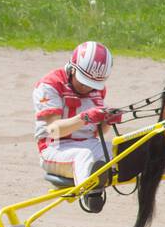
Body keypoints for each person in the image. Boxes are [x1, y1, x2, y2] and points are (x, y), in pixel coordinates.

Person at [34, 42, 122, 212]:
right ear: (72, 68)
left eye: (92, 84)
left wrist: (107, 121)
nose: (87, 87)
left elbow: (98, 132)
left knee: (126, 148)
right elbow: (53, 130)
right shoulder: (49, 85)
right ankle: (90, 195)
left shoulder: (98, 89)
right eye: (83, 82)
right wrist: (85, 117)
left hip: (89, 144)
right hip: (54, 149)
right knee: (84, 156)